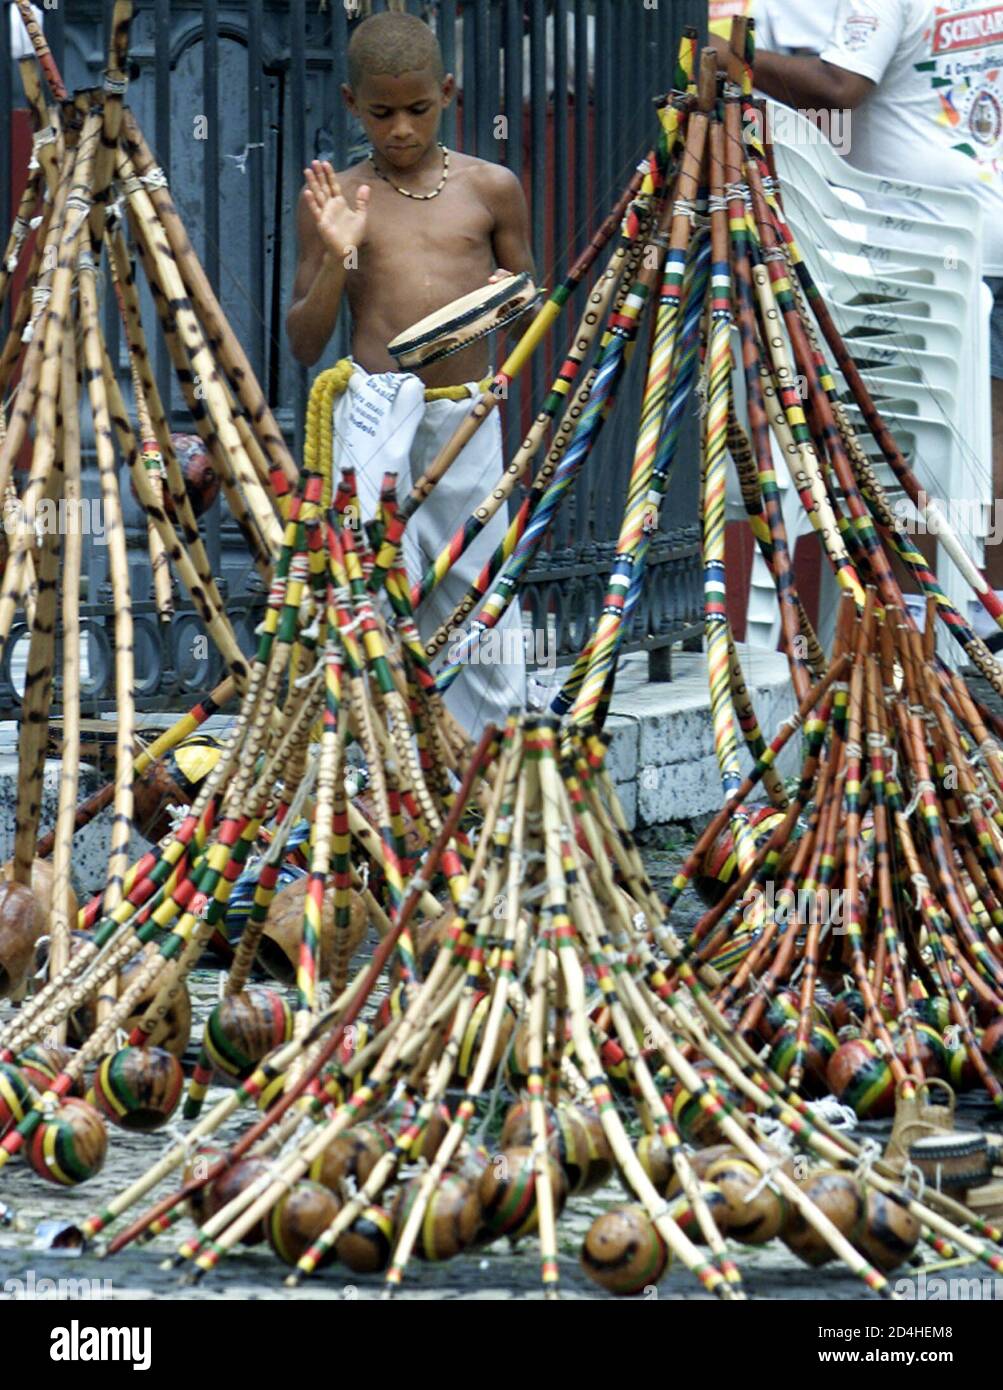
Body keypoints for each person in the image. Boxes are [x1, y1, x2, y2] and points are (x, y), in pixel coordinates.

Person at [712, 0, 1003, 632]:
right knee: (980, 435)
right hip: (976, 231)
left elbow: (840, 91)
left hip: (927, 247)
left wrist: (731, 54)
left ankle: (940, 620)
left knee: (903, 446)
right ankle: (976, 620)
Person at [286, 11, 535, 736]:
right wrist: (337, 255)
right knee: (373, 591)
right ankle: (383, 758)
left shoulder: (491, 189)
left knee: (479, 588)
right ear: (350, 104)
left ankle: (487, 760)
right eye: (381, 112)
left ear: (448, 93)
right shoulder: (336, 199)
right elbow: (305, 342)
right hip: (374, 419)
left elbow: (529, 306)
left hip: (468, 421)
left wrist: (496, 307)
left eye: (418, 110)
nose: (399, 130)